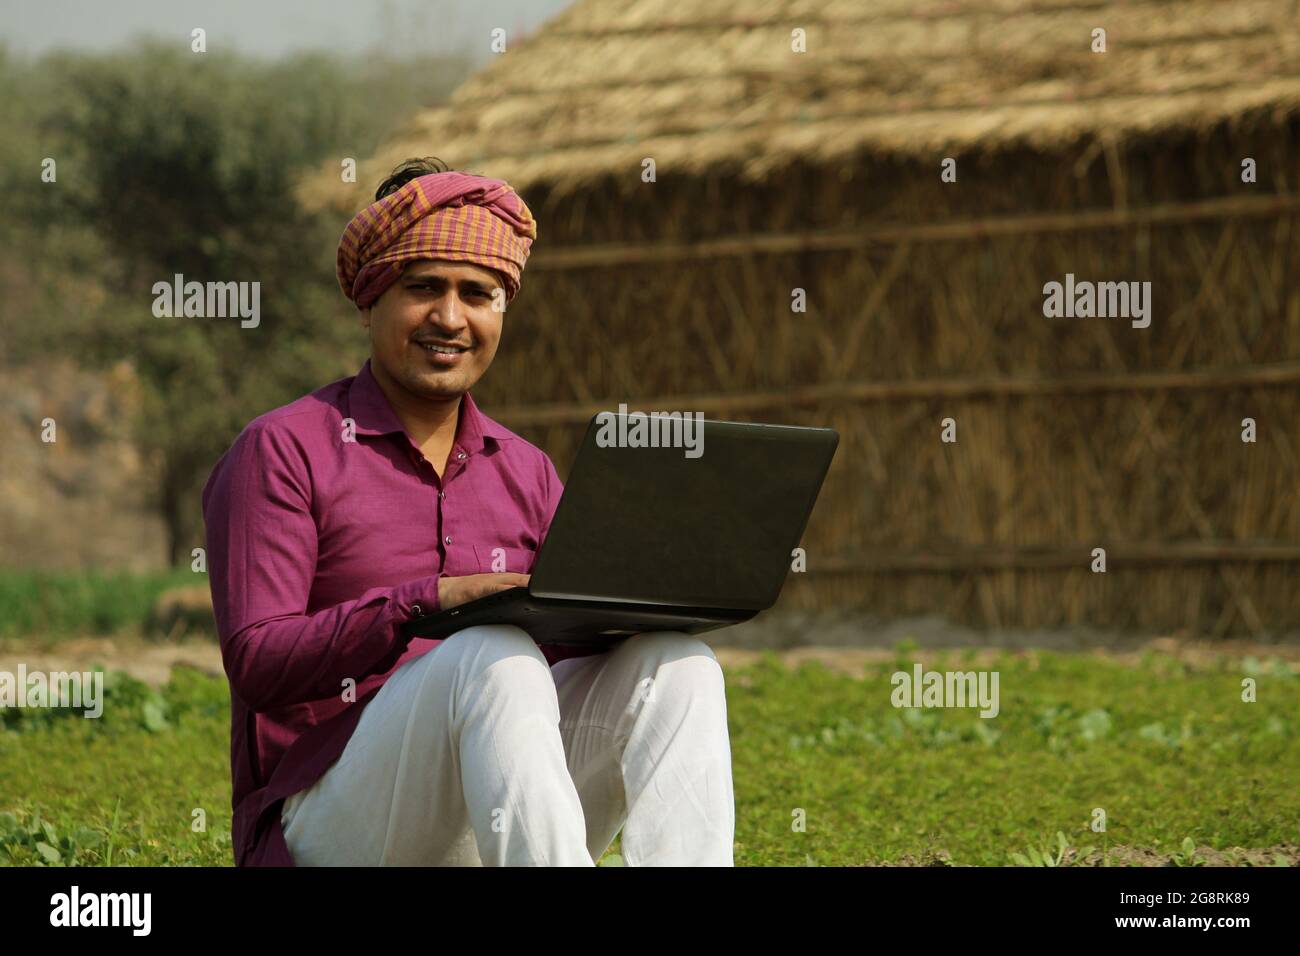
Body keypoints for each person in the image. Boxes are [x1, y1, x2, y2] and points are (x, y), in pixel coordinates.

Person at [201, 157, 735, 866]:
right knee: (491, 652)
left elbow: (573, 650)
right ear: (369, 301)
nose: (450, 318)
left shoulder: (525, 469)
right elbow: (259, 664)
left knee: (679, 665)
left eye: (478, 294)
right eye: (423, 288)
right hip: (330, 819)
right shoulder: (282, 448)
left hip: (499, 808)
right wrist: (427, 604)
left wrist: (640, 603)